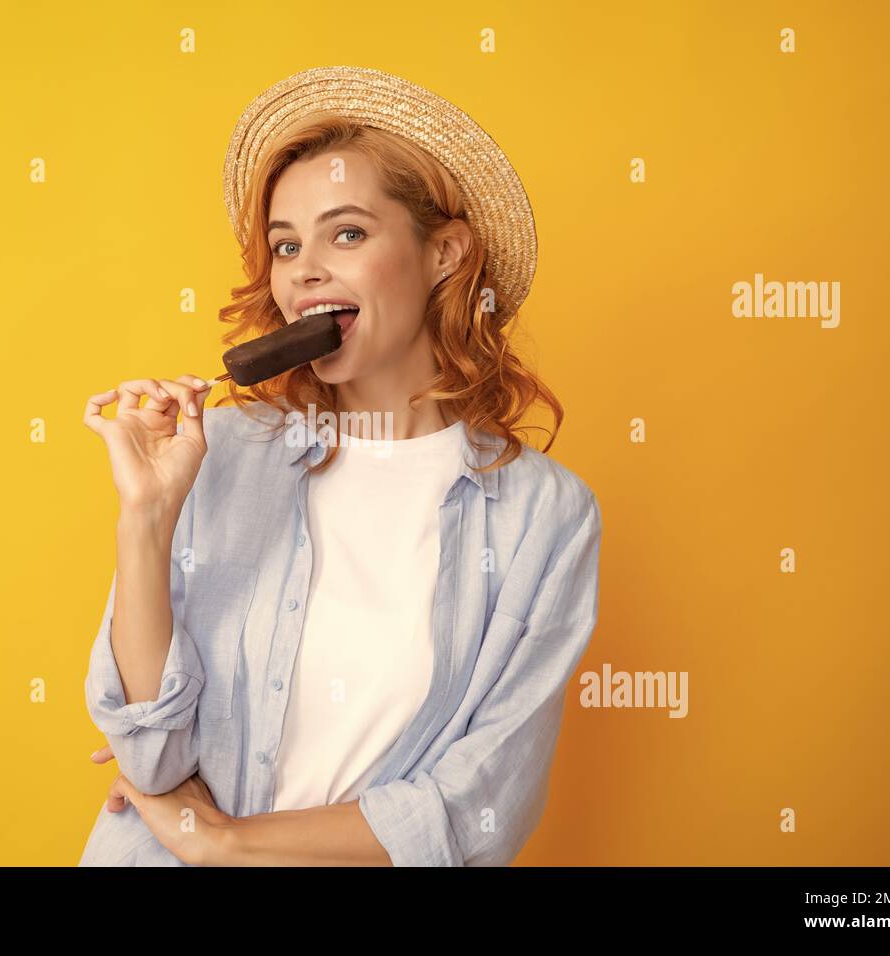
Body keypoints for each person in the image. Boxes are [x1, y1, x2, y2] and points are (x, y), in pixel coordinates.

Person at [78, 66, 602, 866]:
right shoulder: (216, 456)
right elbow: (151, 759)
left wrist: (224, 843)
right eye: (286, 245)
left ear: (445, 255)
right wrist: (147, 517)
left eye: (347, 234)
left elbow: (479, 808)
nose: (303, 271)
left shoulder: (544, 518)